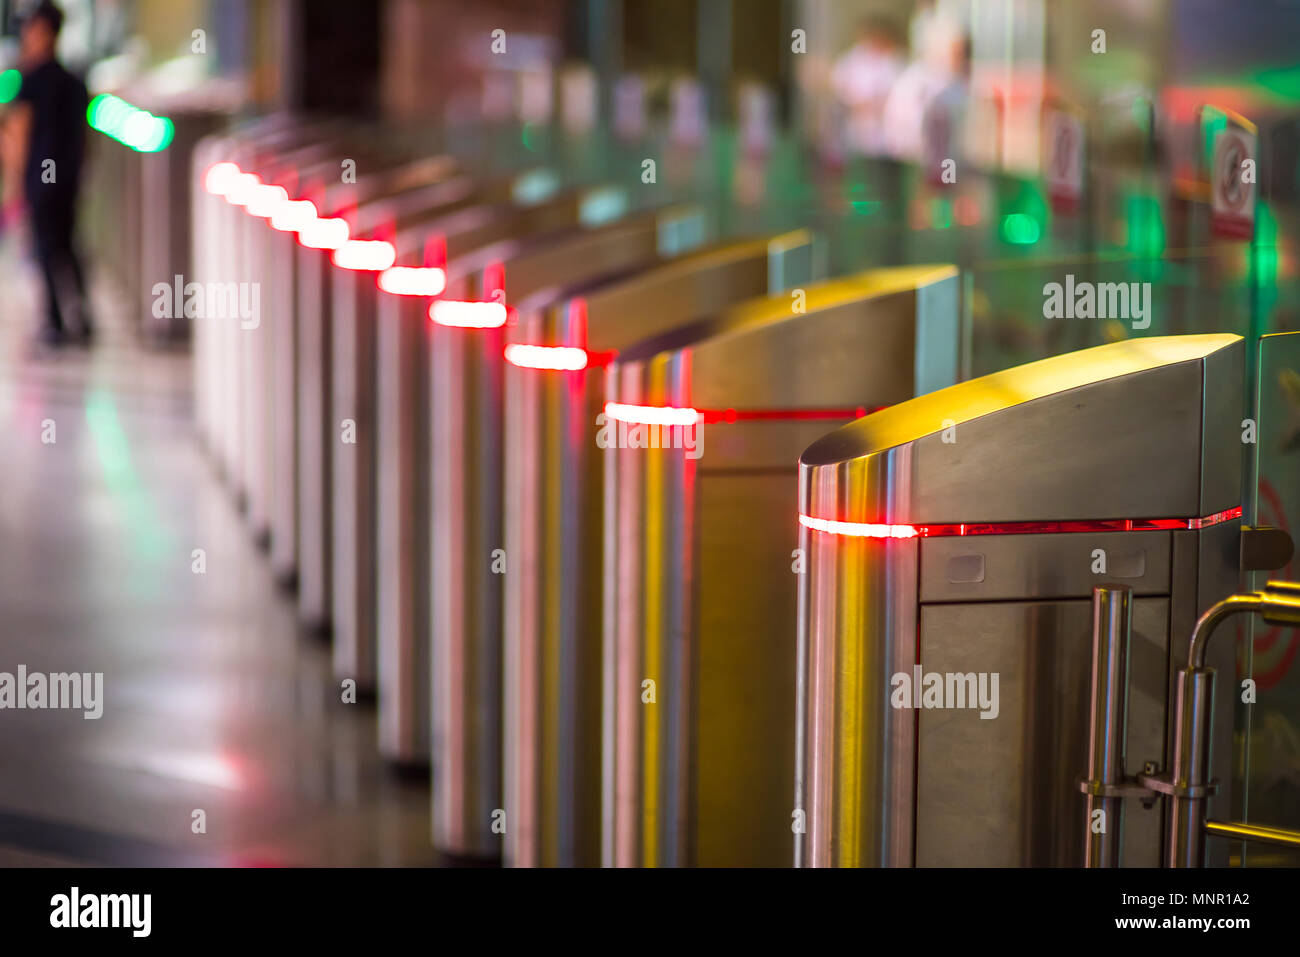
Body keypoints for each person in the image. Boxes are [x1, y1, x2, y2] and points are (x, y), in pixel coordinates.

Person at [3, 1, 92, 348]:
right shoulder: (74, 81)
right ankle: (81, 317)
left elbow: (20, 134)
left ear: (43, 32)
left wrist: (12, 184)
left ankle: (54, 320)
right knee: (68, 243)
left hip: (41, 174)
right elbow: (85, 136)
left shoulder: (30, 80)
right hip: (66, 175)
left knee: (44, 245)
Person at [830, 17, 905, 157]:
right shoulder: (852, 59)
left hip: (886, 134)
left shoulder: (896, 62)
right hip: (856, 130)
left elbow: (899, 94)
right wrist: (855, 105)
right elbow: (838, 86)